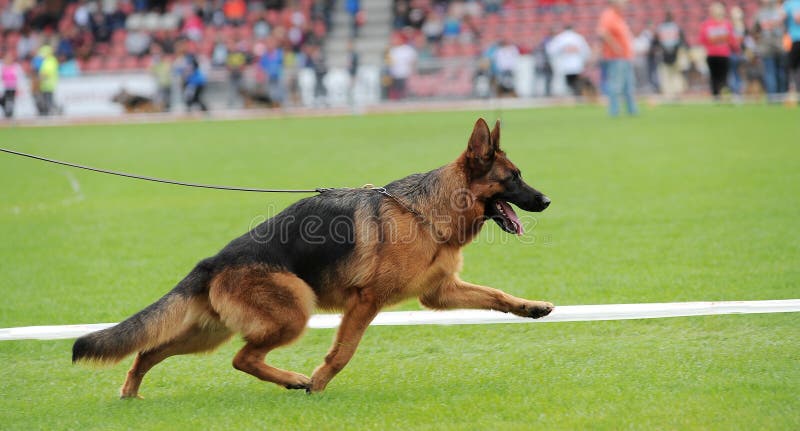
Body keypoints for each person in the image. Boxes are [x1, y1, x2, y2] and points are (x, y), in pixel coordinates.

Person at [597, 0, 638, 116]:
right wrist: (615, 46)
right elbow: (602, 32)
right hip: (616, 57)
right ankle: (614, 111)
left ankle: (632, 110)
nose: (625, 3)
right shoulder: (608, 15)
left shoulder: (618, 16)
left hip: (625, 56)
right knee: (616, 85)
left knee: (628, 85)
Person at [699, 2, 738, 100]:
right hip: (712, 55)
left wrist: (736, 49)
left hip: (724, 55)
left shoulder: (726, 24)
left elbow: (732, 40)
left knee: (723, 77)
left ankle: (724, 96)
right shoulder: (708, 24)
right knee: (715, 77)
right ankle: (716, 96)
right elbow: (702, 39)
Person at [755, 0, 788, 99]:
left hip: (779, 47)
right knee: (772, 73)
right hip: (769, 48)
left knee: (779, 73)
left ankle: (778, 97)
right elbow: (755, 30)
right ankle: (774, 98)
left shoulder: (781, 11)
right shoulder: (761, 13)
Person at [546, 25, 591, 97]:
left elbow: (550, 50)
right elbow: (586, 51)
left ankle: (572, 94)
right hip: (576, 64)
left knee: (568, 83)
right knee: (575, 81)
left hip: (564, 65)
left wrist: (563, 50)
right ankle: (577, 94)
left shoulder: (560, 37)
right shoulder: (578, 38)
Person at [652, 11, 687, 99]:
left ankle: (669, 94)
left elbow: (655, 42)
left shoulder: (660, 28)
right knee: (674, 75)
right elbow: (682, 42)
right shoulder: (676, 27)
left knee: (667, 76)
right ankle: (675, 94)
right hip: (673, 54)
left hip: (665, 54)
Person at [388, 33, 417, 100]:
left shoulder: (407, 49)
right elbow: (389, 62)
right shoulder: (392, 50)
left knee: (405, 91)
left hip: (405, 74)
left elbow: (413, 61)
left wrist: (411, 71)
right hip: (395, 74)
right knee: (396, 91)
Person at [783, 0, 800, 99]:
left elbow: (781, 17)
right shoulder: (789, 3)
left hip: (794, 41)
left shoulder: (789, 4)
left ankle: (794, 92)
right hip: (792, 41)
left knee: (792, 69)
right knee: (793, 69)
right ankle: (794, 92)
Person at [37, 45, 59, 115]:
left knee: (49, 100)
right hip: (45, 85)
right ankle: (53, 111)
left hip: (48, 84)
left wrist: (40, 78)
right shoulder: (47, 61)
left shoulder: (50, 60)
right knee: (47, 100)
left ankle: (54, 112)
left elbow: (47, 72)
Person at [1, 52, 21, 118]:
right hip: (4, 88)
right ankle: (6, 112)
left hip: (12, 88)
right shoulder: (2, 66)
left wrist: (18, 88)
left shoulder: (16, 66)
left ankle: (9, 114)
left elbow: (18, 78)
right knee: (4, 101)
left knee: (11, 101)